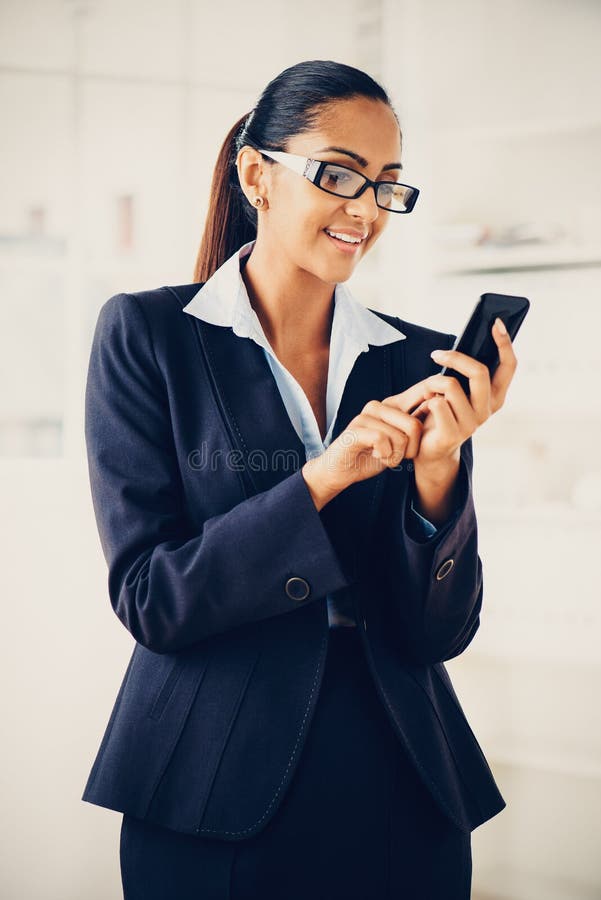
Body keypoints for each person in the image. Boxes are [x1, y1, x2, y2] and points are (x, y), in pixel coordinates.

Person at [82, 59, 515, 900]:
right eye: (337, 175)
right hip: (211, 776)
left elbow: (438, 634)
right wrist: (323, 477)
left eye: (386, 185)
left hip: (403, 768)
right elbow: (152, 598)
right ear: (257, 175)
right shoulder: (149, 335)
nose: (364, 209)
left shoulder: (418, 358)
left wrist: (438, 473)